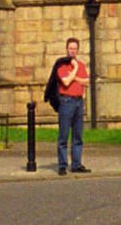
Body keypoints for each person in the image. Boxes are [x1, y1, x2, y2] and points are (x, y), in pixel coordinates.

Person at [45, 36, 91, 175]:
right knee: (63, 136)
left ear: (78, 50)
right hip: (66, 101)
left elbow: (87, 82)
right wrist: (75, 69)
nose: (72, 51)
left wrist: (75, 76)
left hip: (78, 102)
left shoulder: (81, 65)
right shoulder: (62, 65)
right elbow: (65, 82)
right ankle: (62, 165)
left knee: (78, 136)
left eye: (75, 49)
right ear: (67, 49)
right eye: (70, 48)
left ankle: (76, 164)